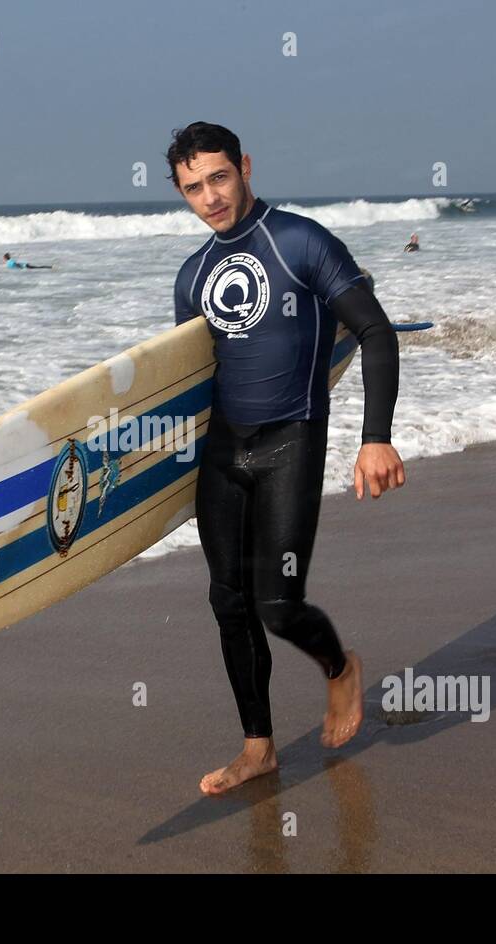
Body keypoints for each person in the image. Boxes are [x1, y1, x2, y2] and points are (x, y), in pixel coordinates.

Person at [168, 121, 405, 795]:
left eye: (218, 178)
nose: (209, 198)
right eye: (192, 188)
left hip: (289, 440)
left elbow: (375, 331)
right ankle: (258, 749)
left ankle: (340, 668)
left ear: (244, 166)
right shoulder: (193, 277)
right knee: (228, 602)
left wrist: (375, 437)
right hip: (222, 452)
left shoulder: (300, 241)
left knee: (276, 604)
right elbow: (186, 385)